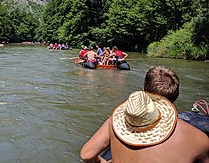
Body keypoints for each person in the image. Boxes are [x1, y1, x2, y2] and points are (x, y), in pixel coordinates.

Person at [80, 66, 209, 163]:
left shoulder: (117, 120)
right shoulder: (200, 139)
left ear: (143, 89)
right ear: (176, 95)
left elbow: (87, 154)